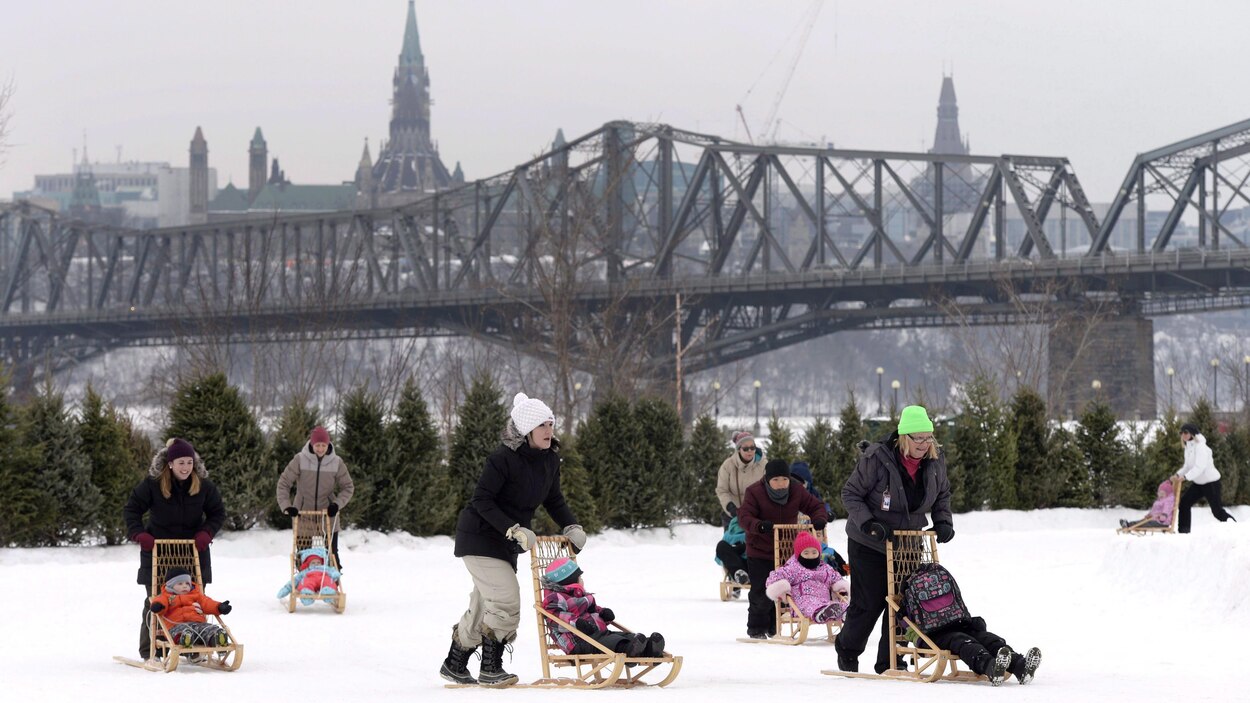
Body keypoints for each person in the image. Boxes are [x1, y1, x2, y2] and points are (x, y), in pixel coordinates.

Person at [440, 392, 588, 687]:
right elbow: (482, 500)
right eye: (542, 425)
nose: (549, 430)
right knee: (506, 599)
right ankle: (490, 669)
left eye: (551, 423)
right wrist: (513, 528)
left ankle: (455, 663)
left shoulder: (549, 460)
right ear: (526, 431)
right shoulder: (502, 458)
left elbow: (554, 499)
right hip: (480, 537)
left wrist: (571, 525)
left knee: (485, 604)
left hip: (507, 543)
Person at [834, 405, 953, 674]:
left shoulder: (935, 460)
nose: (924, 444)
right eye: (918, 438)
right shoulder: (877, 458)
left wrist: (944, 521)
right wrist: (869, 523)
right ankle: (848, 649)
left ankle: (890, 658)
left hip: (908, 541)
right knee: (870, 601)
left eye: (928, 438)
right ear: (904, 437)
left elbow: (943, 493)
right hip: (869, 541)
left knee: (902, 600)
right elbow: (850, 493)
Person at [123, 437, 225, 663]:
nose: (186, 467)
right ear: (170, 463)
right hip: (158, 551)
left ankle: (194, 647)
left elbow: (218, 512)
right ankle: (154, 651)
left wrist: (206, 532)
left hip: (192, 552)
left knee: (193, 601)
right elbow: (132, 510)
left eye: (189, 462)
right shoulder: (152, 484)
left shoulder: (204, 486)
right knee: (156, 602)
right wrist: (140, 534)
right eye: (181, 462)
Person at [903, 566, 1041, 686]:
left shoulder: (935, 577)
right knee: (963, 642)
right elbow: (908, 629)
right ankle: (991, 667)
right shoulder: (904, 604)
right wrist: (914, 633)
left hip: (958, 624)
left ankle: (1020, 666)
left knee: (988, 639)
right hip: (933, 635)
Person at [737, 459, 828, 639]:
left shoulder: (796, 490)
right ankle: (756, 628)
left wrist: (819, 518)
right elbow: (744, 516)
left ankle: (773, 626)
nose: (781, 484)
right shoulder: (754, 492)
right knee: (761, 591)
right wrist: (759, 525)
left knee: (782, 589)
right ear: (768, 479)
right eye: (776, 480)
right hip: (760, 549)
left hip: (786, 549)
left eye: (784, 480)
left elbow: (815, 505)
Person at [540, 557, 666, 658]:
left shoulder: (583, 596)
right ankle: (630, 650)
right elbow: (556, 617)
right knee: (611, 642)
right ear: (571, 581)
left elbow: (593, 611)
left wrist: (604, 614)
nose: (582, 580)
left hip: (597, 634)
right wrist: (577, 623)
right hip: (577, 642)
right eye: (580, 577)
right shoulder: (555, 598)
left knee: (622, 636)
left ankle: (648, 648)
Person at [277, 425, 354, 569]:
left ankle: (331, 587)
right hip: (303, 515)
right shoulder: (300, 459)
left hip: (327, 516)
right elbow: (284, 483)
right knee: (303, 557)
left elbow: (348, 487)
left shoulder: (336, 462)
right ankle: (303, 587)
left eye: (323, 445)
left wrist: (336, 504)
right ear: (312, 444)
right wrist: (287, 506)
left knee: (331, 557)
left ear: (328, 444)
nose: (320, 449)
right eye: (317, 445)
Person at [764, 531, 848, 624]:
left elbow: (835, 577)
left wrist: (841, 588)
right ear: (799, 554)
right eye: (806, 553)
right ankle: (820, 613)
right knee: (809, 603)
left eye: (814, 552)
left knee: (837, 605)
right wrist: (780, 588)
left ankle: (843, 612)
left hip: (824, 599)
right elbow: (776, 576)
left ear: (819, 553)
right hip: (802, 601)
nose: (810, 556)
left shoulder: (825, 568)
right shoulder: (793, 568)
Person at [149, 567, 233, 648]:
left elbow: (207, 603)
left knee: (209, 628)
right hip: (175, 626)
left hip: (198, 624)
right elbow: (161, 601)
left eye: (187, 583)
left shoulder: (196, 595)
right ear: (171, 586)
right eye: (180, 583)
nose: (185, 586)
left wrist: (219, 607)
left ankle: (215, 638)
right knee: (182, 631)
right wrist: (158, 606)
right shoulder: (166, 596)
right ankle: (185, 639)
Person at [1175, 423, 1237, 533]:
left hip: (1211, 483)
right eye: (1181, 433)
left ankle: (1236, 528)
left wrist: (1185, 477)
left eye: (1185, 432)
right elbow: (1187, 466)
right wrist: (1177, 475)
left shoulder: (1201, 447)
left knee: (1217, 512)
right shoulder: (1188, 447)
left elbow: (1200, 467)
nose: (1183, 435)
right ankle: (1183, 532)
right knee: (1184, 504)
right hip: (1198, 483)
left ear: (1192, 434)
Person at [716, 430, 764, 528]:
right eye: (746, 448)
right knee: (729, 543)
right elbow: (722, 490)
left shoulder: (764, 465)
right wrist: (730, 506)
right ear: (738, 449)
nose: (750, 451)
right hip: (733, 516)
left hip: (757, 516)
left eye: (752, 447)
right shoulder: (727, 466)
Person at [277, 546, 341, 605]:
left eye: (318, 562)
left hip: (323, 578)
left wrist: (335, 574)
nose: (316, 564)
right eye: (313, 563)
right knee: (306, 582)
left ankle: (328, 592)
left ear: (321, 563)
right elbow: (296, 580)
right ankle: (306, 594)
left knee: (328, 581)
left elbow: (333, 571)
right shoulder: (306, 571)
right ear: (308, 564)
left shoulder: (325, 568)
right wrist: (286, 589)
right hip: (310, 578)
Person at [714, 516, 750, 597]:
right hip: (740, 564)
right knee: (722, 545)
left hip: (749, 563)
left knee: (721, 546)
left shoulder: (753, 532)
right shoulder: (728, 535)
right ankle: (740, 575)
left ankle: (739, 575)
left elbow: (719, 559)